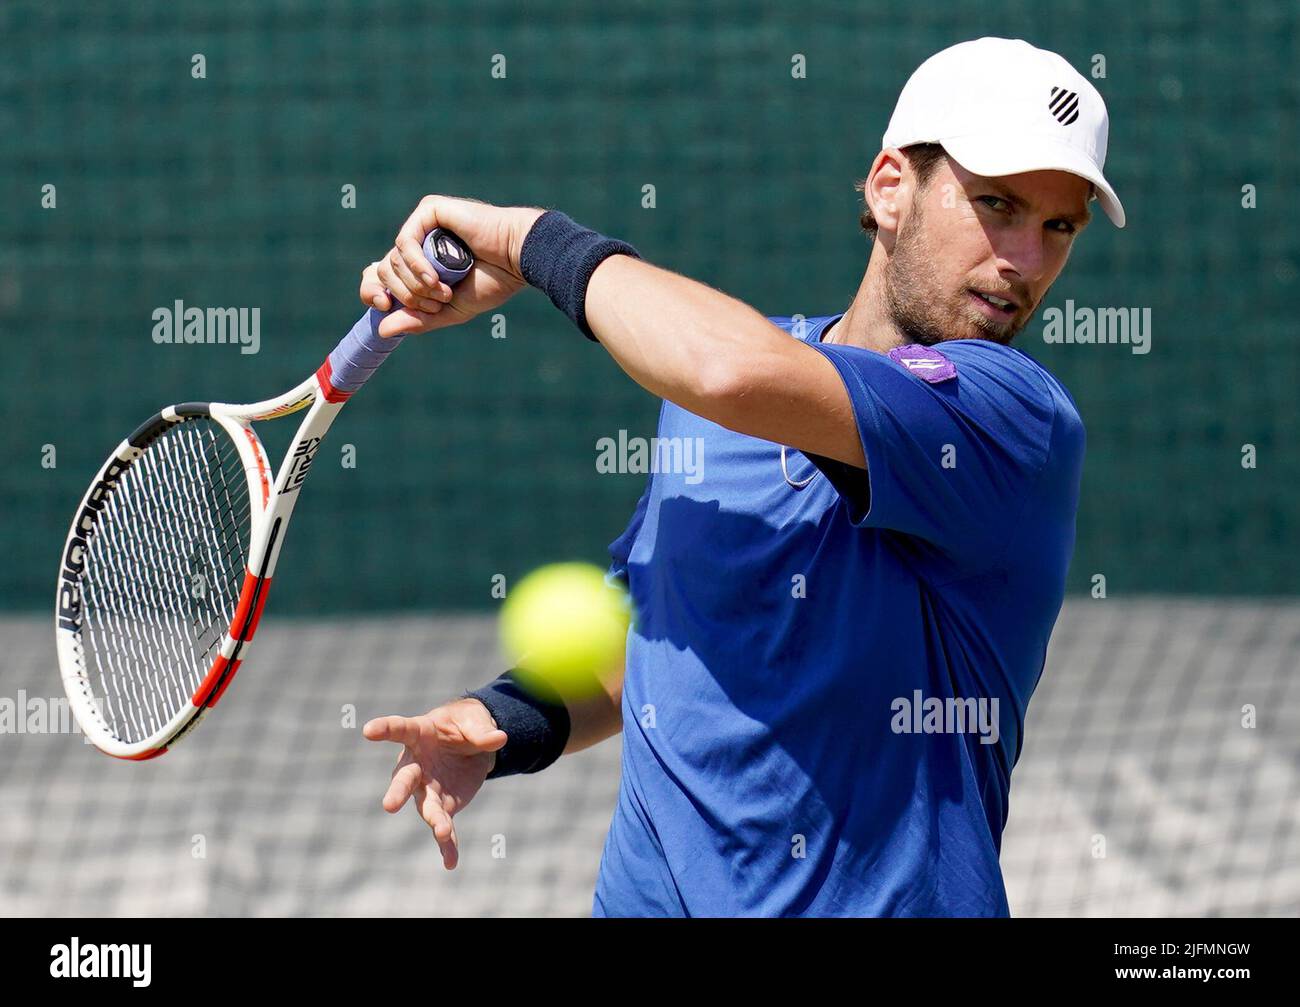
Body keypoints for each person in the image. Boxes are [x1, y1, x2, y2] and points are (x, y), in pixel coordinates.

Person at [361, 36, 1125, 916]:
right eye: (998, 204)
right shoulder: (711, 394)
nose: (1025, 261)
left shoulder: (1009, 416)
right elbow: (655, 630)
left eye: (1058, 227)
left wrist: (532, 243)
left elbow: (726, 368)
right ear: (888, 189)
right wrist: (505, 721)